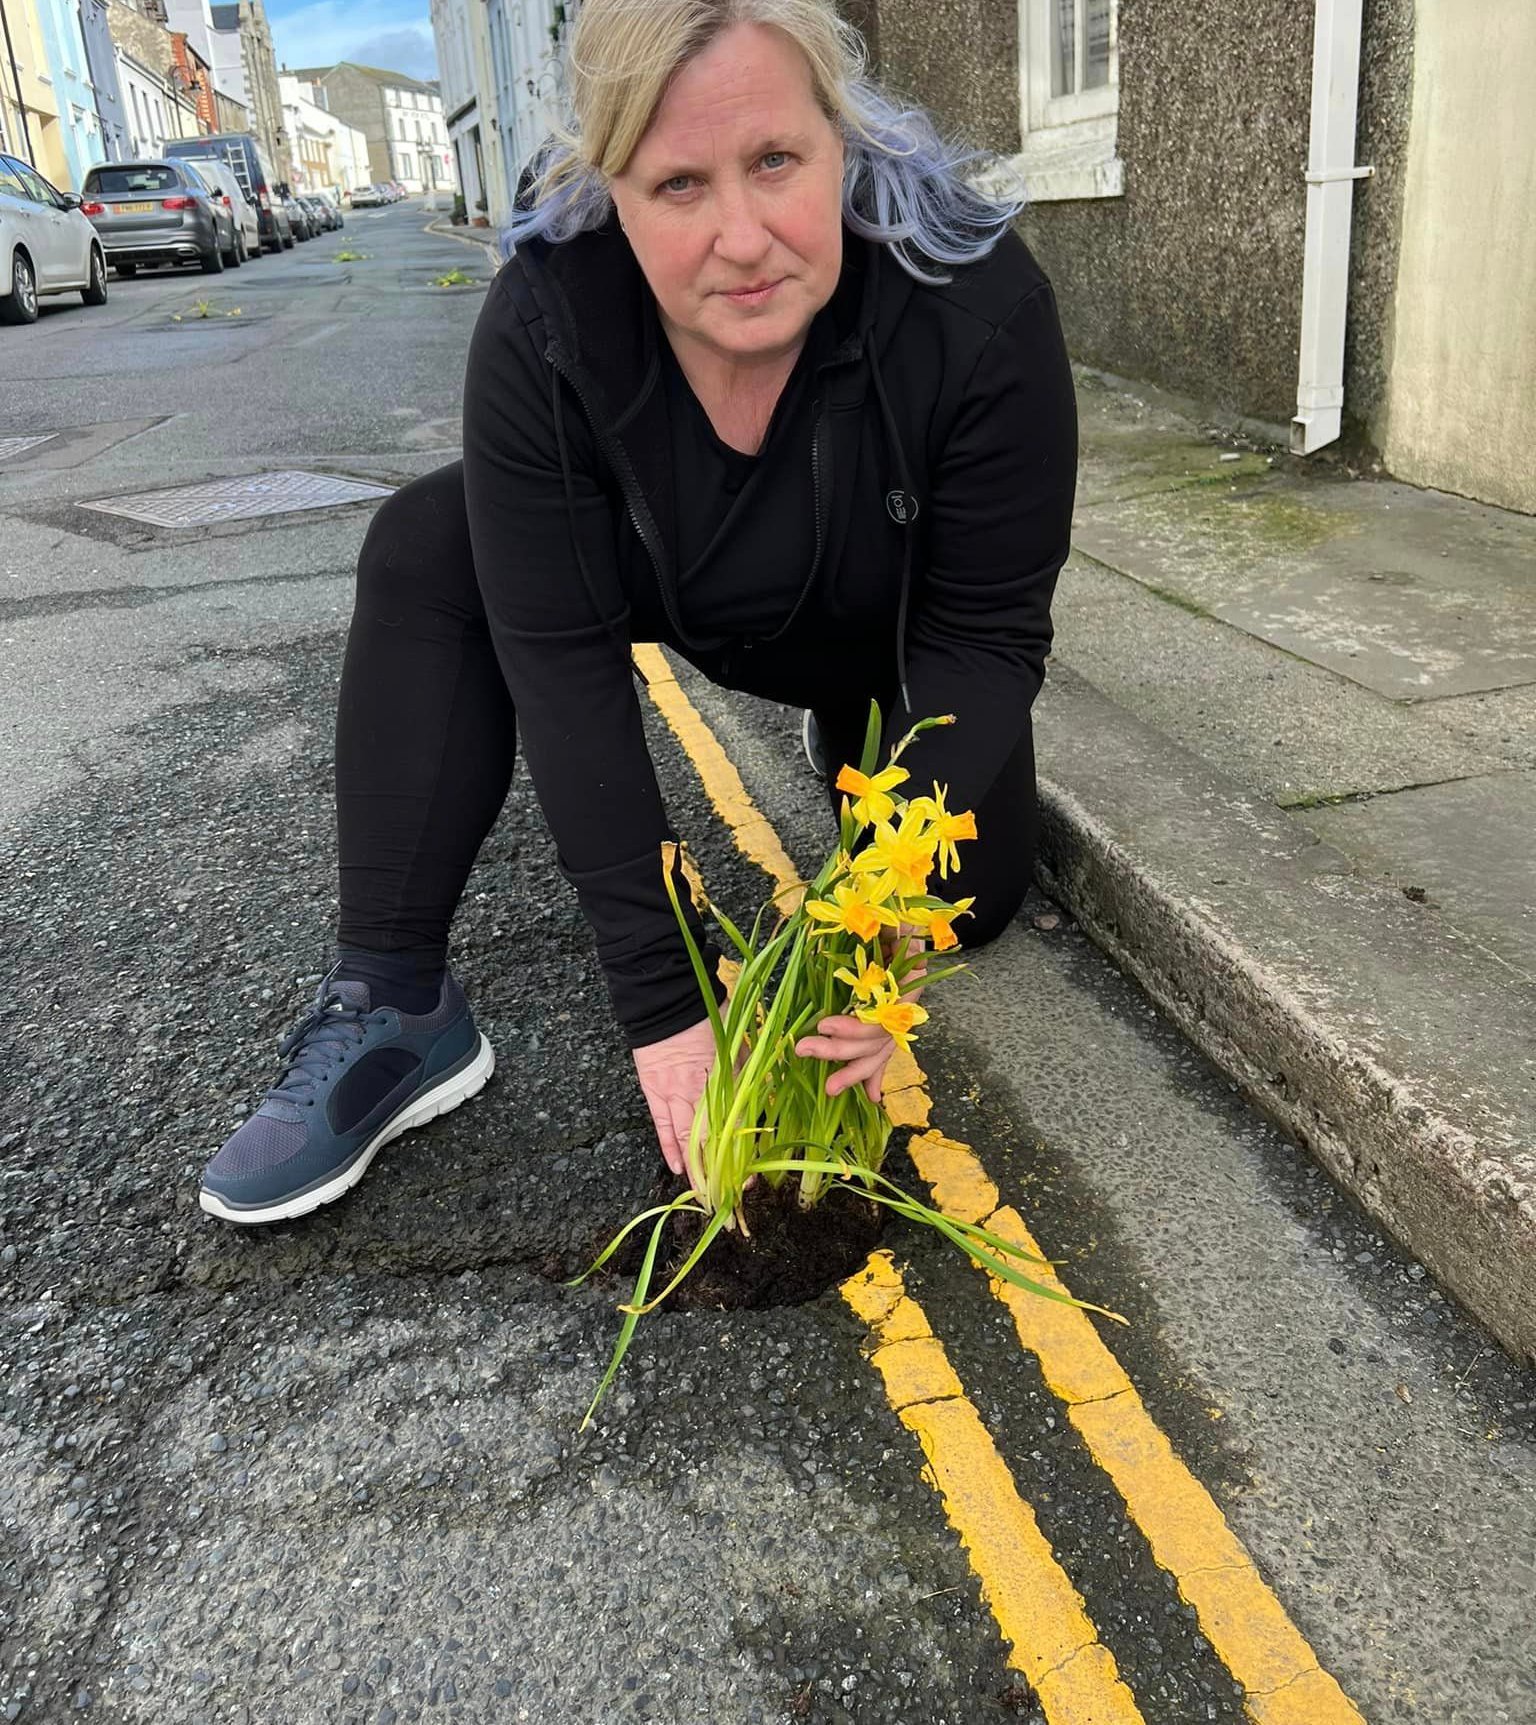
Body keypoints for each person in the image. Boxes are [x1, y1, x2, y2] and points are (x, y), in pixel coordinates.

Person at [198, 0, 1077, 1226]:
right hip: (675, 580)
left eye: (776, 162)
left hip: (889, 625)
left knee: (972, 902)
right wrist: (663, 999)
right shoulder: (551, 317)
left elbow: (988, 637)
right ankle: (394, 1001)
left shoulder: (978, 301)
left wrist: (870, 956)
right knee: (425, 542)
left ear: (842, 140)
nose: (743, 237)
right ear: (611, 187)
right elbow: (560, 668)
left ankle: (850, 737)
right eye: (677, 185)